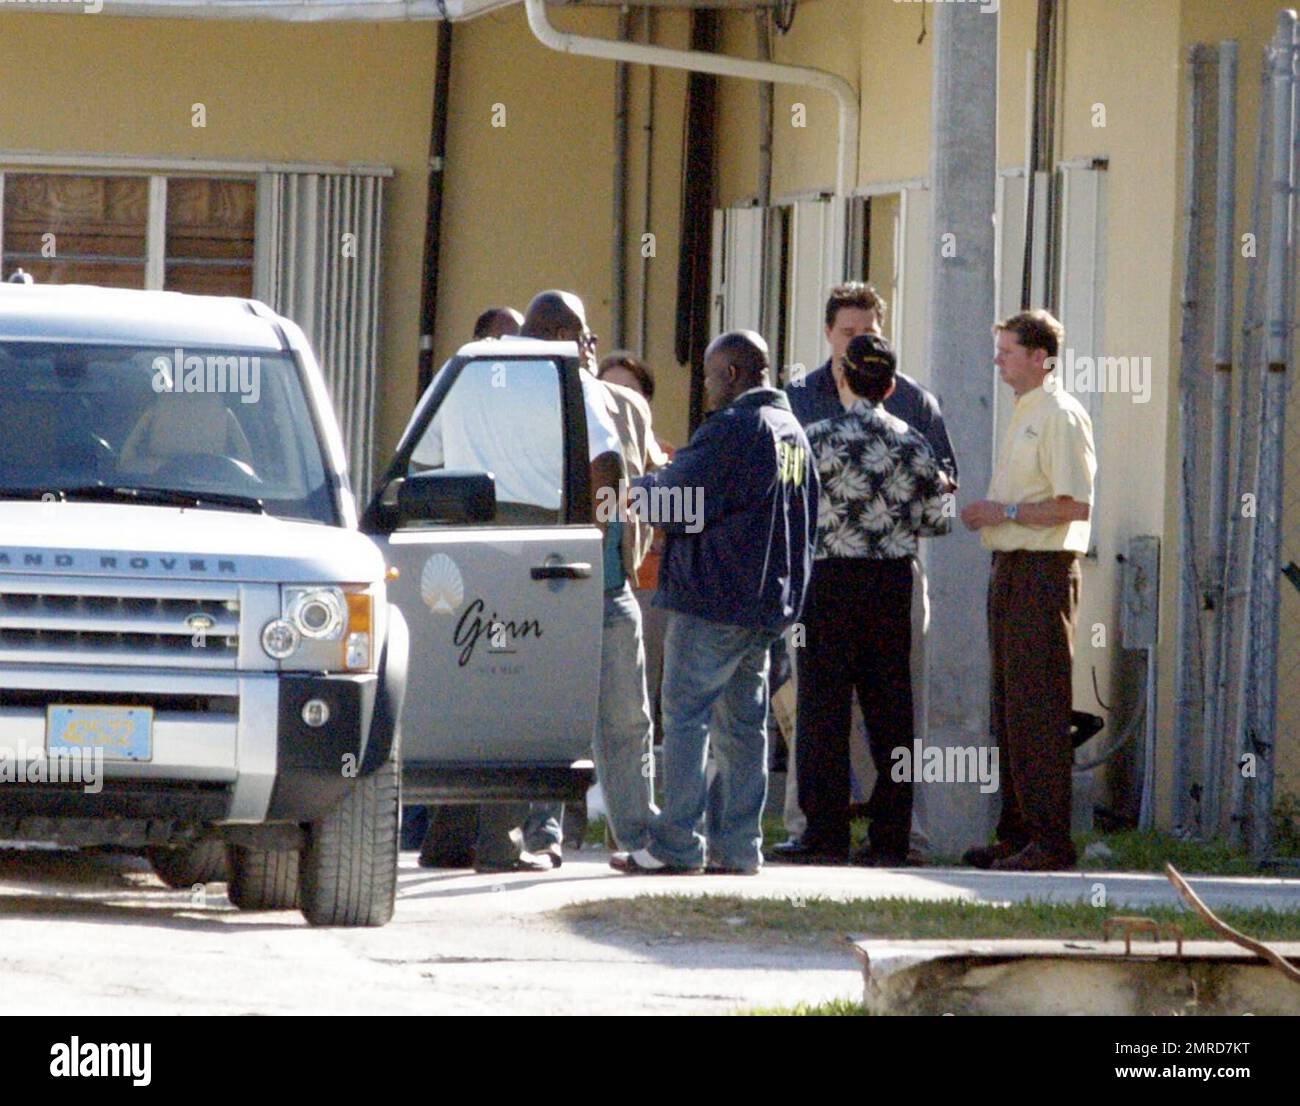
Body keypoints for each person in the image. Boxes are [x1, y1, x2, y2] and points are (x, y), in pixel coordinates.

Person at [615, 331, 817, 875]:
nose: (703, 388)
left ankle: (677, 843)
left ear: (730, 375)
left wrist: (638, 488)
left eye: (707, 376)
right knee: (744, 728)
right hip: (764, 608)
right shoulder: (792, 432)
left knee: (685, 719)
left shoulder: (734, 429)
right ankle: (739, 847)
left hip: (712, 601)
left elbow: (678, 503)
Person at [474, 291, 662, 870]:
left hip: (513, 575)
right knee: (624, 719)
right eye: (582, 336)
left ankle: (538, 836)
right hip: (593, 578)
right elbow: (608, 467)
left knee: (534, 715)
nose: (588, 348)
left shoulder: (482, 384)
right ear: (560, 335)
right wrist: (594, 527)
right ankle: (634, 838)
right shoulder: (572, 382)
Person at [775, 282, 958, 858]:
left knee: (822, 709)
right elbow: (941, 516)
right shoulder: (909, 436)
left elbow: (785, 499)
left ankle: (824, 834)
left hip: (825, 578)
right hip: (890, 578)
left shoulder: (813, 436)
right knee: (892, 712)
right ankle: (890, 838)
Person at [959, 309, 1096, 872]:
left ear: (1040, 358)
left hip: (1043, 569)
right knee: (1010, 706)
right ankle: (1017, 833)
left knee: (1037, 704)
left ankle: (1049, 838)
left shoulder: (1061, 415)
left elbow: (1076, 505)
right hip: (1012, 566)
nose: (998, 360)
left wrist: (1004, 511)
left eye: (1008, 350)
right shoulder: (1026, 411)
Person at [597, 352, 673, 747]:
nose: (616, 398)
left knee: (638, 698)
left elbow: (684, 518)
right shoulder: (587, 454)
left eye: (627, 390)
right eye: (608, 387)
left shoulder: (667, 458)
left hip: (649, 588)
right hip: (591, 589)